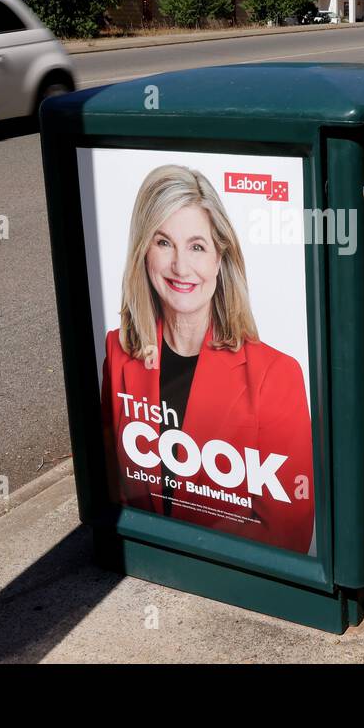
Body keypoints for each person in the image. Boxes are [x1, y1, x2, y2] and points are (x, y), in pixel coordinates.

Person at [99, 164, 315, 554]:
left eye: (197, 246)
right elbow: (114, 488)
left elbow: (289, 529)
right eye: (163, 242)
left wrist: (190, 564)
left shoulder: (275, 375)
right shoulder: (118, 352)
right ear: (143, 252)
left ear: (220, 257)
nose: (180, 266)